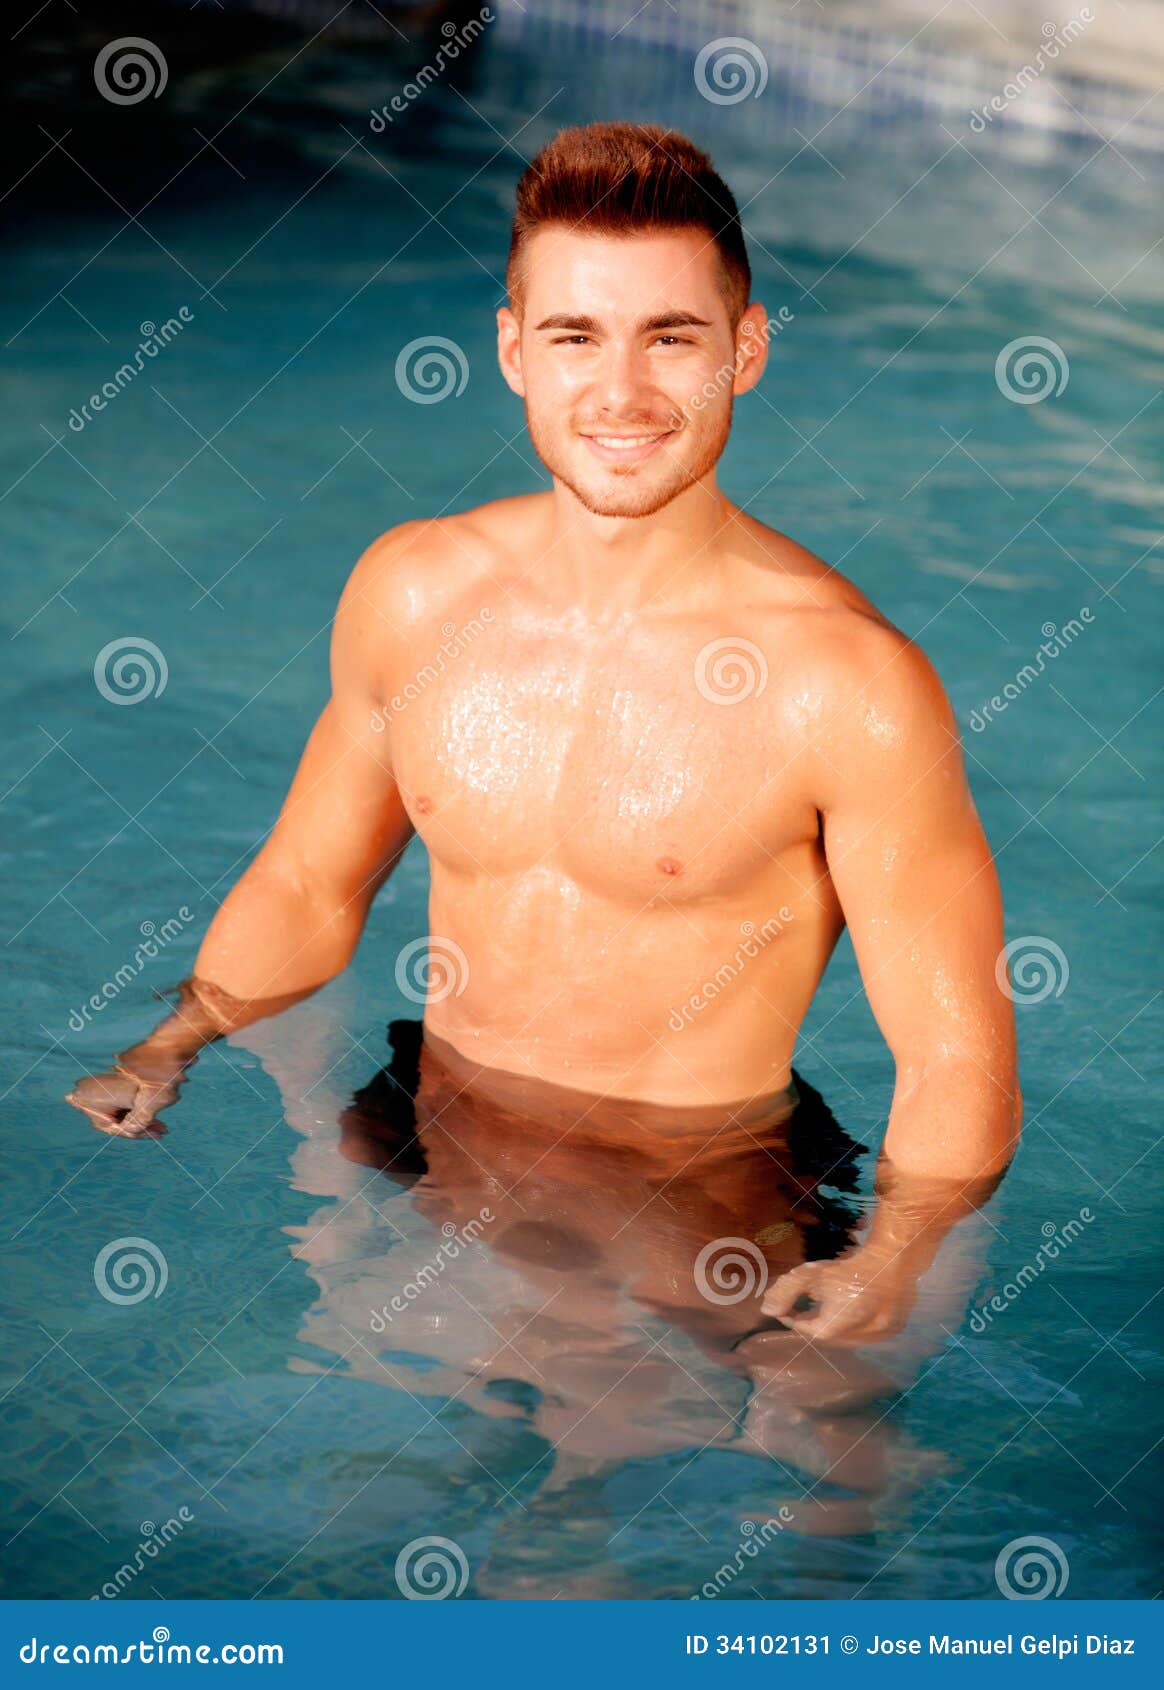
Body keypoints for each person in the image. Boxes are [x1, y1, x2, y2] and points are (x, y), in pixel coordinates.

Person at [67, 121, 1021, 1344]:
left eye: (670, 338)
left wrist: (894, 1261)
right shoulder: (414, 594)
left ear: (748, 347)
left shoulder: (849, 684)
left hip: (703, 1197)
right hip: (433, 1130)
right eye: (576, 337)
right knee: (369, 1452)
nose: (620, 394)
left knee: (822, 1495)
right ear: (514, 350)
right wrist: (174, 1041)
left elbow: (954, 1055)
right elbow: (310, 880)